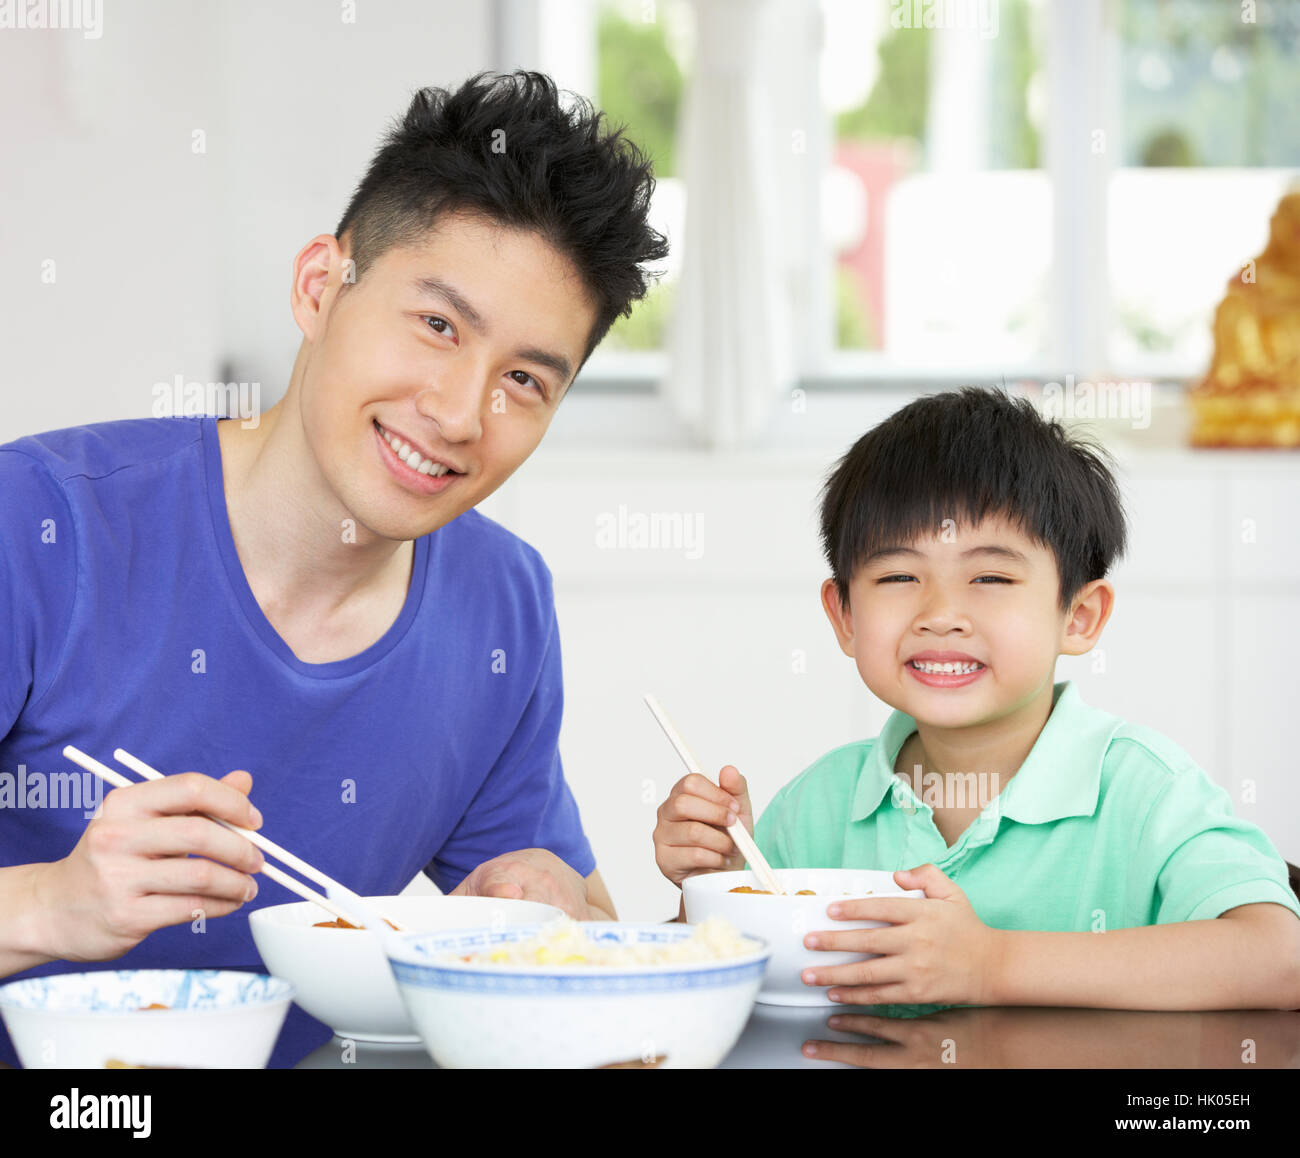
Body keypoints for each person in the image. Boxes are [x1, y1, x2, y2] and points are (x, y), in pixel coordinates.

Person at [0, 70, 668, 1066]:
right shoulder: (41, 523)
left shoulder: (501, 606)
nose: (456, 414)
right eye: (438, 325)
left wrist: (553, 910)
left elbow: (574, 931)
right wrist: (52, 903)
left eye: (523, 381)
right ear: (321, 285)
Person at [653, 387, 1300, 1011]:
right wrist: (718, 886)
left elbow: (1280, 958)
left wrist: (991, 965)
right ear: (844, 614)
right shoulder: (815, 809)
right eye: (900, 576)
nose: (941, 614)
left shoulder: (1146, 790)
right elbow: (712, 985)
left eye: (990, 577)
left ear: (1078, 615)